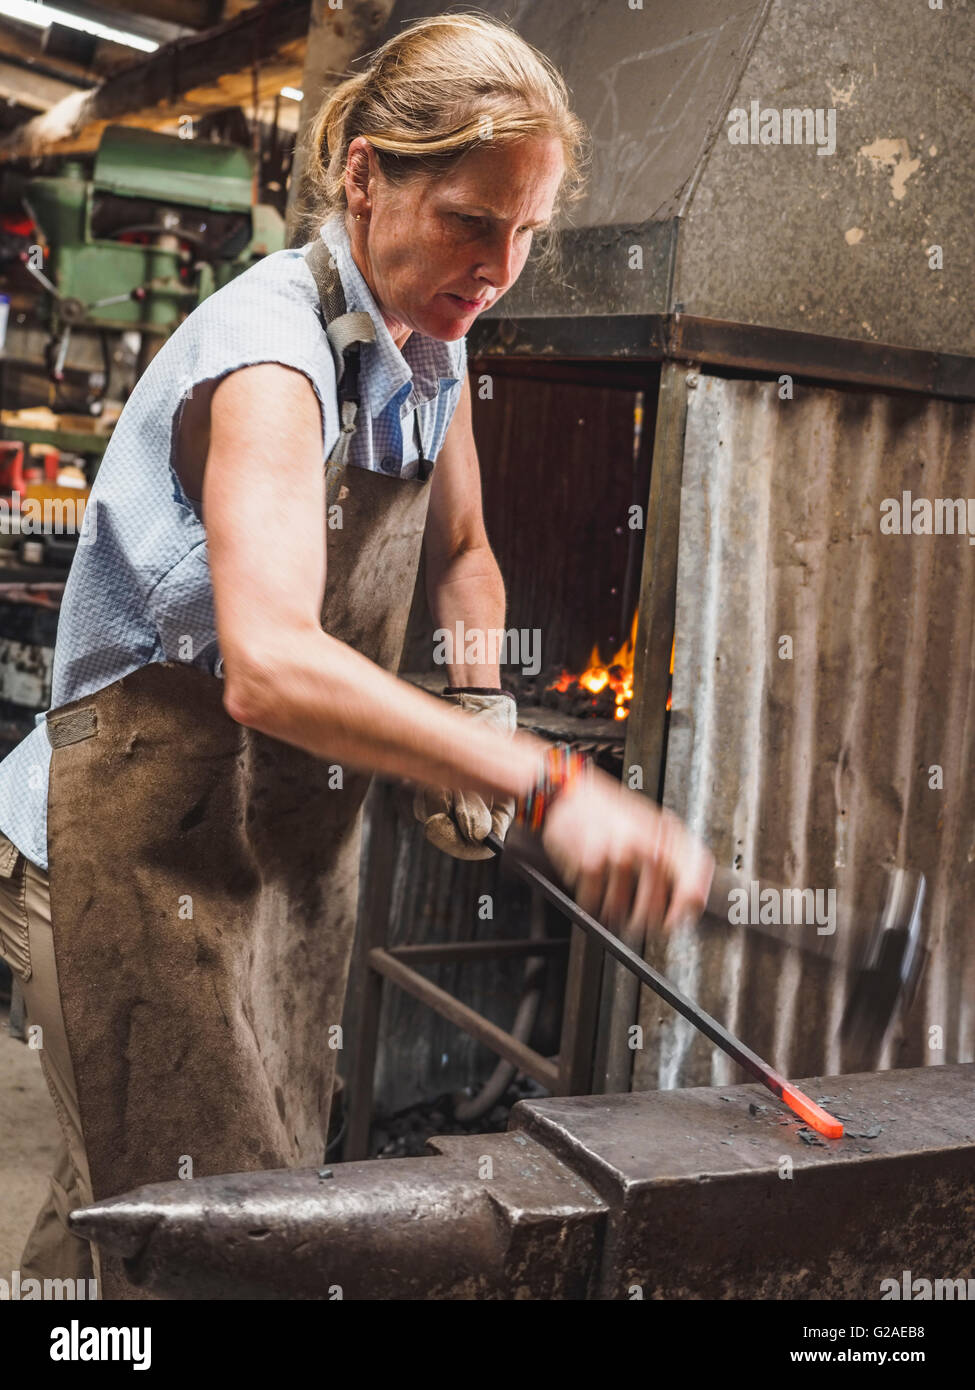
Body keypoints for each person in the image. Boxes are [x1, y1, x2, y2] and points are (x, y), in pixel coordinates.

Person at [0, 12, 713, 1298]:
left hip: (263, 852)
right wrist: (547, 784)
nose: (500, 267)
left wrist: (487, 715)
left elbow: (468, 551)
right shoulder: (273, 354)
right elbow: (267, 663)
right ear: (366, 173)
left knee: (145, 1210)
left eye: (529, 231)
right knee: (199, 1226)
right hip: (118, 839)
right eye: (471, 222)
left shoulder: (432, 344)